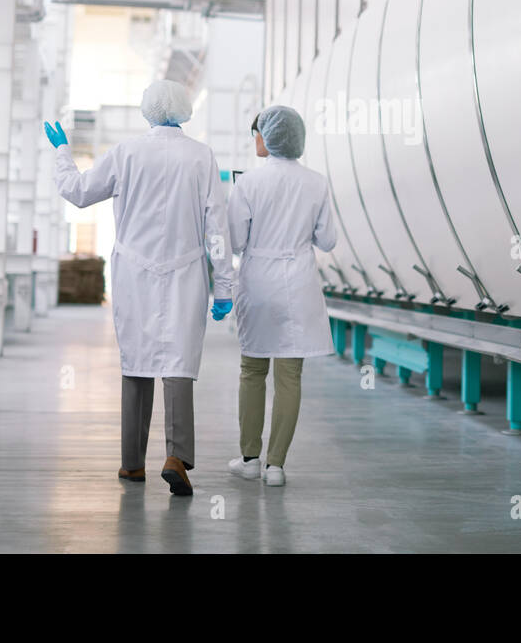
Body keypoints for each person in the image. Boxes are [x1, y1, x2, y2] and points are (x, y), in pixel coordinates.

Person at [45, 79, 233, 497]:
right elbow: (216, 226)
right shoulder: (201, 157)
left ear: (146, 110)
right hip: (185, 272)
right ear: (183, 109)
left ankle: (132, 465)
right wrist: (224, 285)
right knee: (178, 364)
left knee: (137, 362)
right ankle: (177, 456)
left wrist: (62, 153)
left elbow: (77, 193)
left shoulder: (127, 153)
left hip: (135, 272)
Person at [225, 105, 337, 487]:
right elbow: (328, 239)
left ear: (268, 137)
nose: (255, 139)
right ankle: (276, 466)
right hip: (300, 282)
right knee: (290, 376)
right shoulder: (317, 182)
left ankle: (250, 459)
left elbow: (235, 241)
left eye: (256, 132)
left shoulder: (249, 184)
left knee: (252, 371)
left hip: (259, 282)